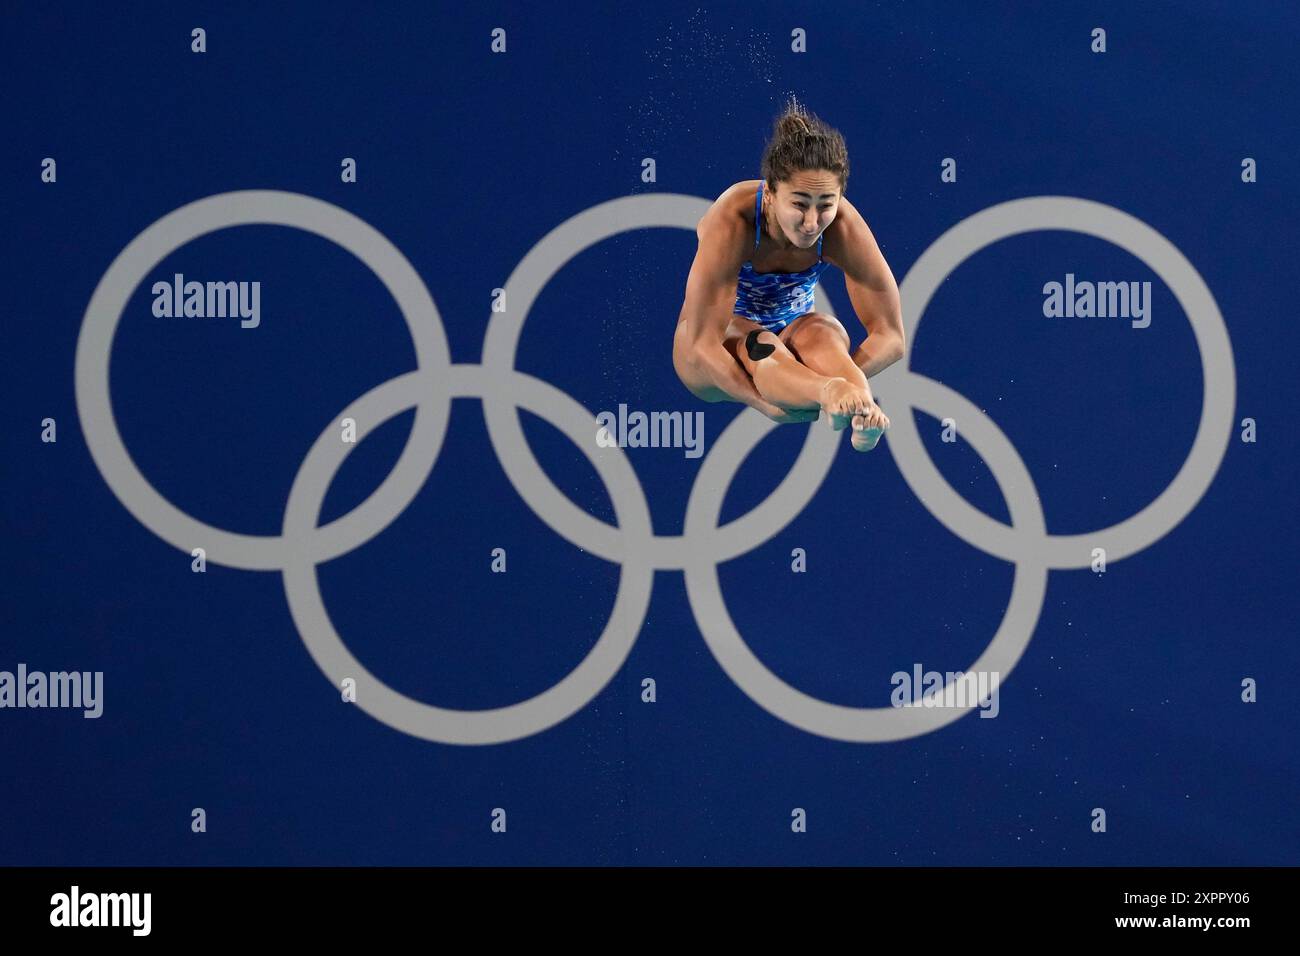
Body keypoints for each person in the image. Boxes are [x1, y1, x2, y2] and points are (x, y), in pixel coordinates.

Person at [672, 98, 905, 451]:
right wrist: (766, 401)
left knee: (826, 335)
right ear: (769, 193)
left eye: (826, 204)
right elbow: (702, 344)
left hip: (794, 329)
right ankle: (830, 392)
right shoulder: (733, 220)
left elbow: (891, 337)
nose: (812, 222)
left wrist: (839, 381)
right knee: (762, 345)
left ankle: (861, 410)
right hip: (711, 347)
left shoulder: (843, 226)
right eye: (799, 204)